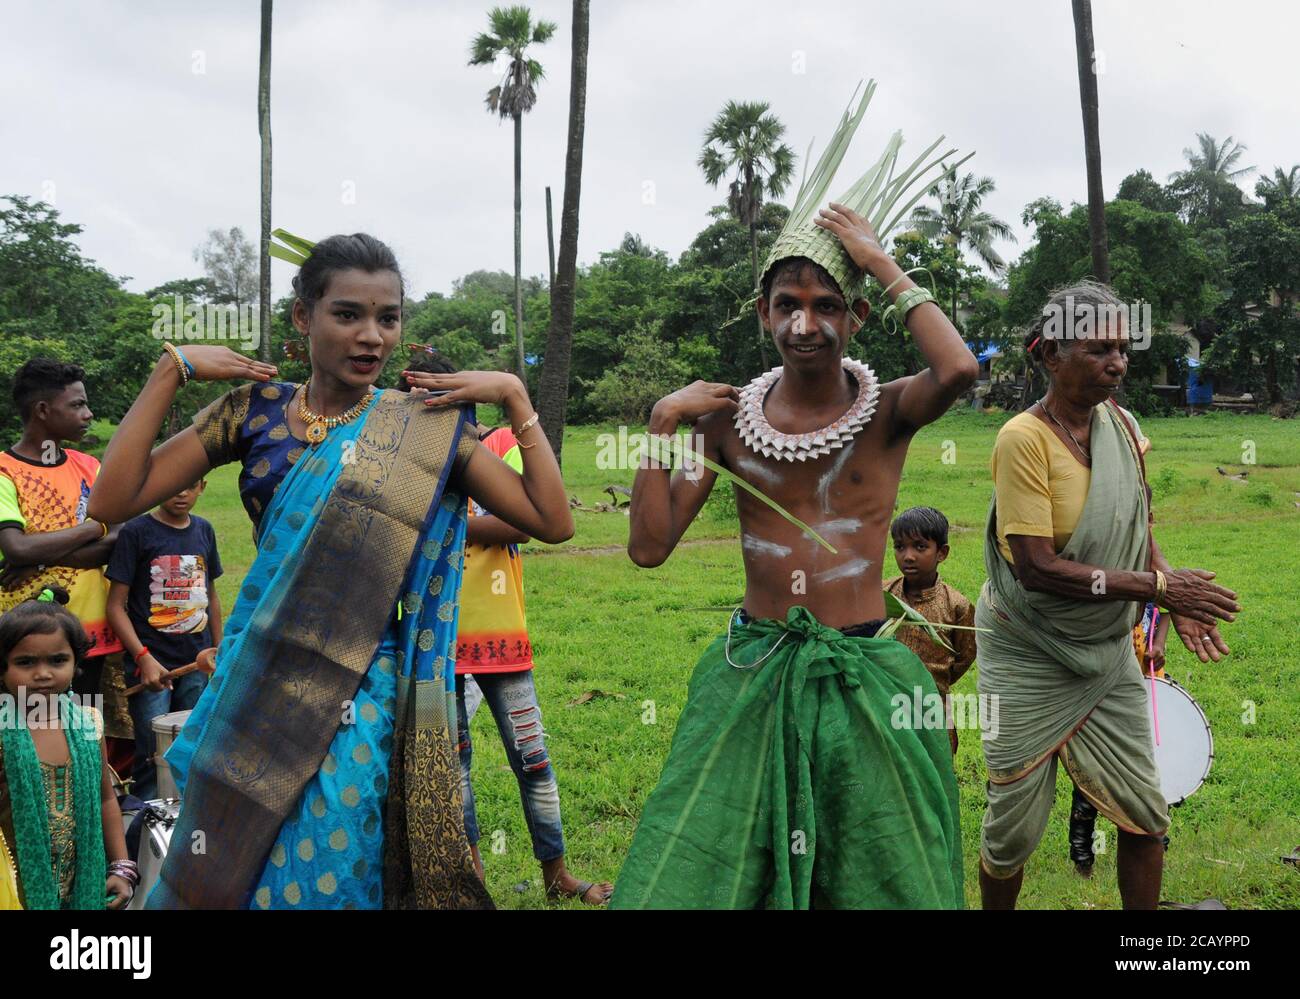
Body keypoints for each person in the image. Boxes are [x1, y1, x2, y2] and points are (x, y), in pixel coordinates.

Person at [87, 232, 574, 909]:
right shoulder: (251, 411)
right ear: (302, 316)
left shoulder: (422, 426)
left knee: (335, 866)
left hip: (361, 691)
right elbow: (111, 500)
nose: (372, 335)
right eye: (347, 314)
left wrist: (518, 400)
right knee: (237, 866)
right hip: (254, 684)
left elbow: (550, 519)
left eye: (388, 317)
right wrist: (170, 370)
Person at [614, 93, 978, 909]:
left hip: (864, 669)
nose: (805, 323)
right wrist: (660, 424)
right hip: (755, 666)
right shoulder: (723, 420)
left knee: (877, 869)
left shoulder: (886, 412)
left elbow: (959, 370)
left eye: (825, 304)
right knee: (718, 867)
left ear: (854, 315)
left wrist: (881, 261)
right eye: (788, 304)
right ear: (762, 312)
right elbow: (646, 546)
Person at [975, 280, 1239, 910]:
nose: (1116, 363)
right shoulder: (1023, 439)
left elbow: (1136, 526)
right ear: (1050, 355)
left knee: (1146, 816)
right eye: (1098, 350)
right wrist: (1158, 588)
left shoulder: (1122, 425)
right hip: (1028, 650)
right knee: (1012, 828)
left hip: (1107, 649)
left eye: (1122, 349)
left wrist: (1166, 590)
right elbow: (1036, 567)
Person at [404, 351, 612, 904]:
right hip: (434, 646)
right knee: (456, 769)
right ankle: (472, 881)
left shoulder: (495, 447)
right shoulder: (407, 463)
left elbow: (530, 518)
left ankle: (558, 876)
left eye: (438, 397)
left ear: (463, 396)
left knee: (534, 759)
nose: (428, 410)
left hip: (502, 642)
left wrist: (449, 522)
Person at [0, 360, 126, 726]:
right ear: (42, 410)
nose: (88, 414)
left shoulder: (90, 466)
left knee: (86, 732)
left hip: (90, 635)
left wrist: (40, 558)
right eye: (76, 405)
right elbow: (16, 548)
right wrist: (94, 527)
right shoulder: (5, 471)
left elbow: (119, 539)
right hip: (22, 640)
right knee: (24, 737)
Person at [0, 587, 136, 909]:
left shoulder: (89, 722)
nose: (43, 673)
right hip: (12, 888)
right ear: (2, 669)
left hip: (81, 885)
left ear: (76, 663)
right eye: (25, 662)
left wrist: (121, 867)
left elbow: (106, 798)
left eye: (58, 660)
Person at [105, 479, 222, 801]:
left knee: (193, 742)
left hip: (195, 662)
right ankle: (147, 822)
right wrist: (143, 657)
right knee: (152, 753)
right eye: (173, 484)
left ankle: (186, 817)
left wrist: (219, 646)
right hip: (151, 665)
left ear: (202, 487)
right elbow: (115, 607)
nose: (180, 492)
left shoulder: (204, 530)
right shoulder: (136, 532)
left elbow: (210, 595)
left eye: (189, 486)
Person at [883, 506, 977, 755]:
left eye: (920, 546)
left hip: (932, 707)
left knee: (935, 771)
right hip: (884, 704)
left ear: (942, 553)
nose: (908, 556)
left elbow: (965, 655)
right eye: (899, 546)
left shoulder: (957, 605)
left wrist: (936, 680)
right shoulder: (884, 594)